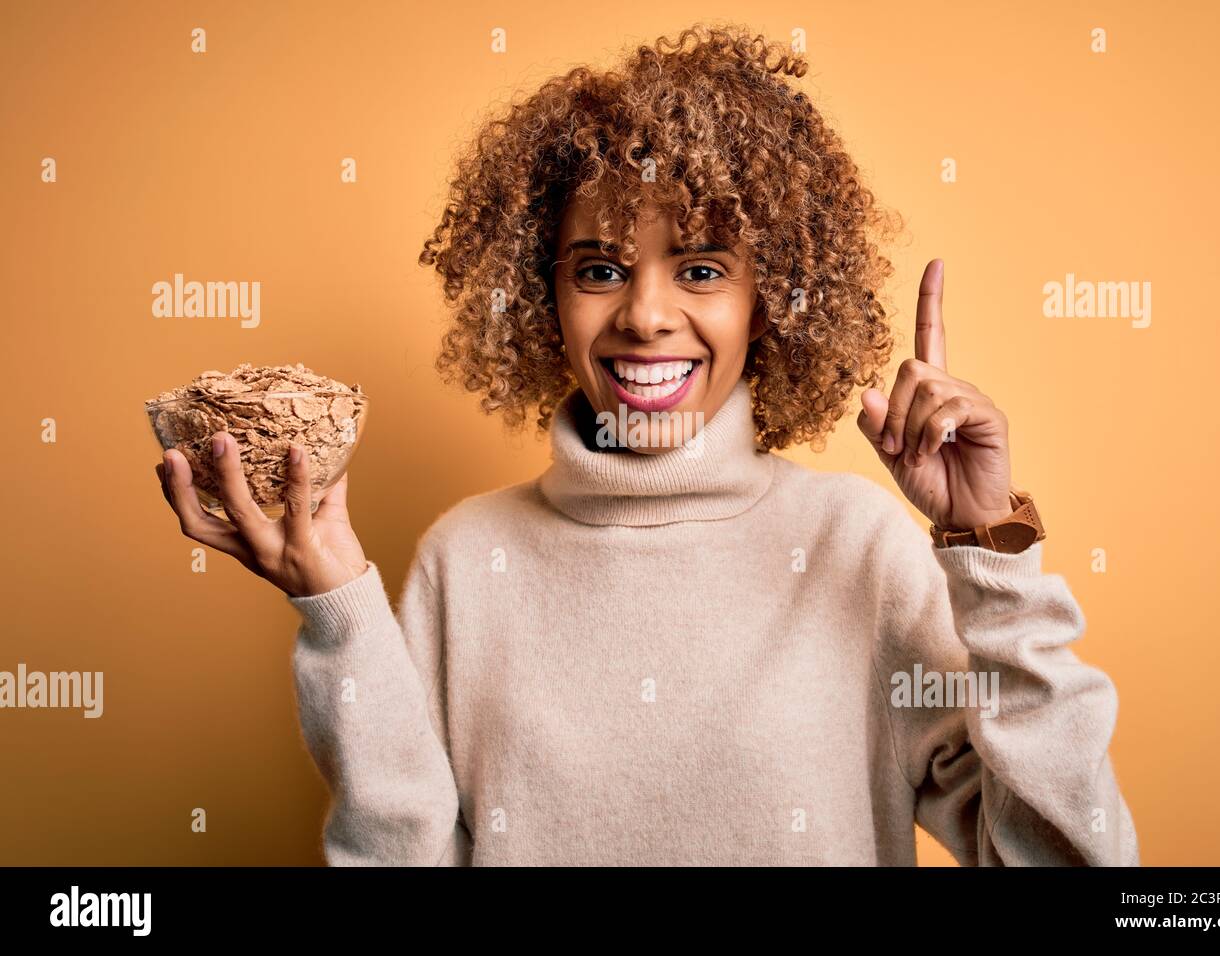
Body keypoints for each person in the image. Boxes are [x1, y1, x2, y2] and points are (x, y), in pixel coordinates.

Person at [156, 23, 1139, 866]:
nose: (647, 313)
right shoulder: (467, 559)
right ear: (545, 300)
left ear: (769, 304)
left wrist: (991, 557)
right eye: (599, 267)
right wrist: (339, 610)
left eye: (702, 267)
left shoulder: (856, 550)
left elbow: (1065, 856)